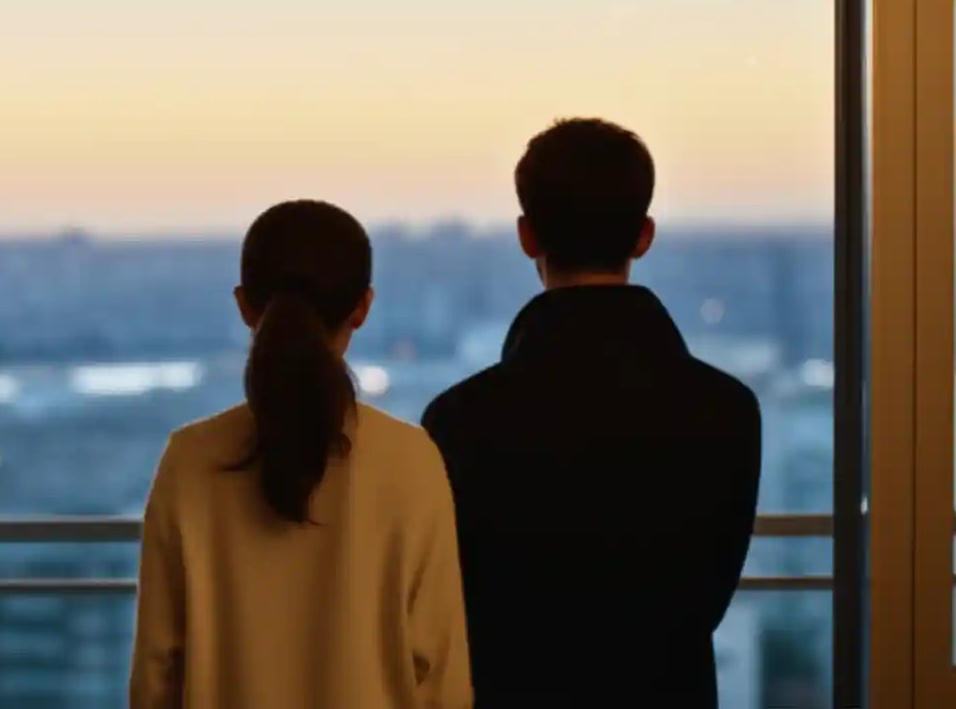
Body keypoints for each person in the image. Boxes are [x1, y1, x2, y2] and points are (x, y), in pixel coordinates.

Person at [422, 119, 762, 707]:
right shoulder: (726, 410)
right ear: (644, 235)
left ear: (528, 236)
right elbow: (706, 600)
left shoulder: (460, 420)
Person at [131, 200, 472, 708]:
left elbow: (157, 675)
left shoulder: (190, 460)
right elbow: (441, 678)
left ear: (245, 305)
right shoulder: (411, 460)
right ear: (363, 307)